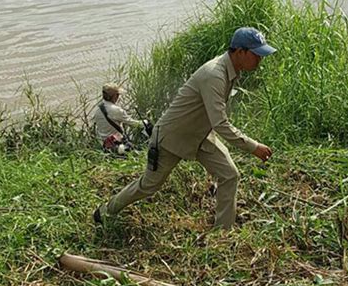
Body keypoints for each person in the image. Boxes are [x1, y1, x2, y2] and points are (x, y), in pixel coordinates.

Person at [93, 27, 276, 230]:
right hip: (172, 137)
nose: (260, 60)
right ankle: (104, 211)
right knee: (148, 186)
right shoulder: (214, 74)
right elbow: (220, 123)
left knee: (229, 174)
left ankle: (223, 232)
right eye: (256, 55)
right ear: (240, 52)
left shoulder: (229, 71)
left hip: (199, 135)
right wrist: (254, 146)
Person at [93, 83, 145, 153]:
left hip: (104, 146)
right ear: (115, 96)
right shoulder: (116, 110)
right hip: (117, 145)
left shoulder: (98, 111)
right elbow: (133, 123)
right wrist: (145, 123)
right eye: (118, 95)